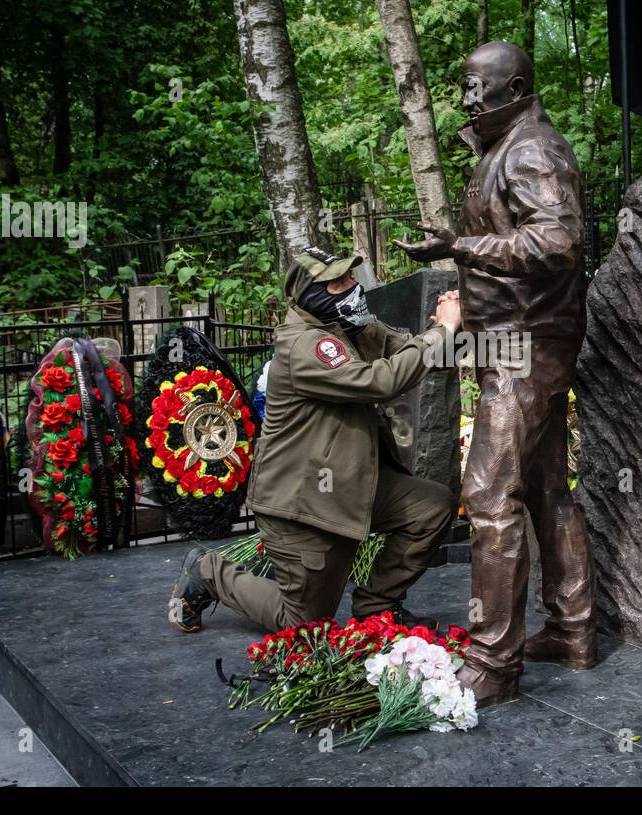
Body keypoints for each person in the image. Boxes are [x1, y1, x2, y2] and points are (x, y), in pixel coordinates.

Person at [396, 40, 596, 707]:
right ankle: (572, 630)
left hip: (528, 346)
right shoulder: (501, 149)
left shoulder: (531, 148)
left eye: (476, 88)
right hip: (513, 344)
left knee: (486, 496)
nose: (465, 99)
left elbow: (559, 242)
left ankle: (494, 661)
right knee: (545, 490)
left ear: (514, 89)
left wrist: (458, 245)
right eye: (462, 87)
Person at [169, 246, 462, 634]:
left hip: (352, 485)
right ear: (311, 294)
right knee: (305, 625)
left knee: (431, 506)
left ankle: (376, 608)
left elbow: (407, 349)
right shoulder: (305, 344)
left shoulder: (345, 324)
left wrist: (457, 320)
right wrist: (442, 330)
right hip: (303, 504)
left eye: (350, 277)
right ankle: (209, 572)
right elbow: (381, 381)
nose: (352, 287)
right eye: (338, 282)